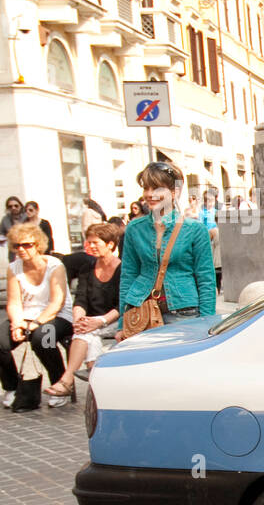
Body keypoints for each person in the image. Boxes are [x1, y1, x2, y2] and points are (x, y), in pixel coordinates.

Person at [119, 160, 217, 334]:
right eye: (146, 188)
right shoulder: (134, 228)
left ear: (174, 192)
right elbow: (128, 275)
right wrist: (122, 324)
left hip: (184, 312)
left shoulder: (195, 230)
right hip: (141, 310)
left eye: (157, 188)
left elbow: (206, 280)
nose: (149, 194)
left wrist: (207, 322)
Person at [1, 223, 74, 409]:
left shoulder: (54, 265)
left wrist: (33, 324)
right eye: (17, 246)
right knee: (0, 340)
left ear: (37, 244)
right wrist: (17, 323)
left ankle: (60, 384)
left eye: (27, 245)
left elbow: (56, 303)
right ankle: (12, 387)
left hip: (57, 316)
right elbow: (14, 302)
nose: (22, 249)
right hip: (25, 316)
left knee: (44, 339)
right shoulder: (14, 268)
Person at [44, 220, 120, 398]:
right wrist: (79, 319)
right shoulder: (87, 268)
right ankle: (86, 386)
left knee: (87, 334)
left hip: (114, 320)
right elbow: (81, 300)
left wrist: (99, 321)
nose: (90, 246)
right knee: (83, 332)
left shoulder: (122, 269)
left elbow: (122, 305)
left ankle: (68, 380)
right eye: (89, 242)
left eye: (95, 242)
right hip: (90, 322)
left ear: (110, 244)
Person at [201, 187, 223, 292]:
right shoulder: (202, 213)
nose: (210, 203)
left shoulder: (217, 211)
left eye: (212, 200)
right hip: (208, 237)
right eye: (207, 201)